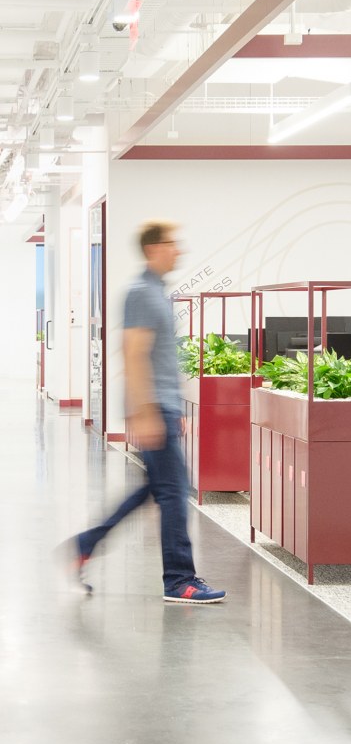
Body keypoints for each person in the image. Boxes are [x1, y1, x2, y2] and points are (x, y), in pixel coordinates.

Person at [60, 219, 226, 604]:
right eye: (172, 243)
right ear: (154, 249)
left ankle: (85, 545)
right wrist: (147, 412)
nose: (179, 250)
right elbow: (133, 355)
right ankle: (179, 580)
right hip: (155, 409)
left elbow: (159, 358)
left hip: (163, 406)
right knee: (174, 492)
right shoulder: (141, 294)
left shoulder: (156, 293)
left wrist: (171, 405)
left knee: (157, 488)